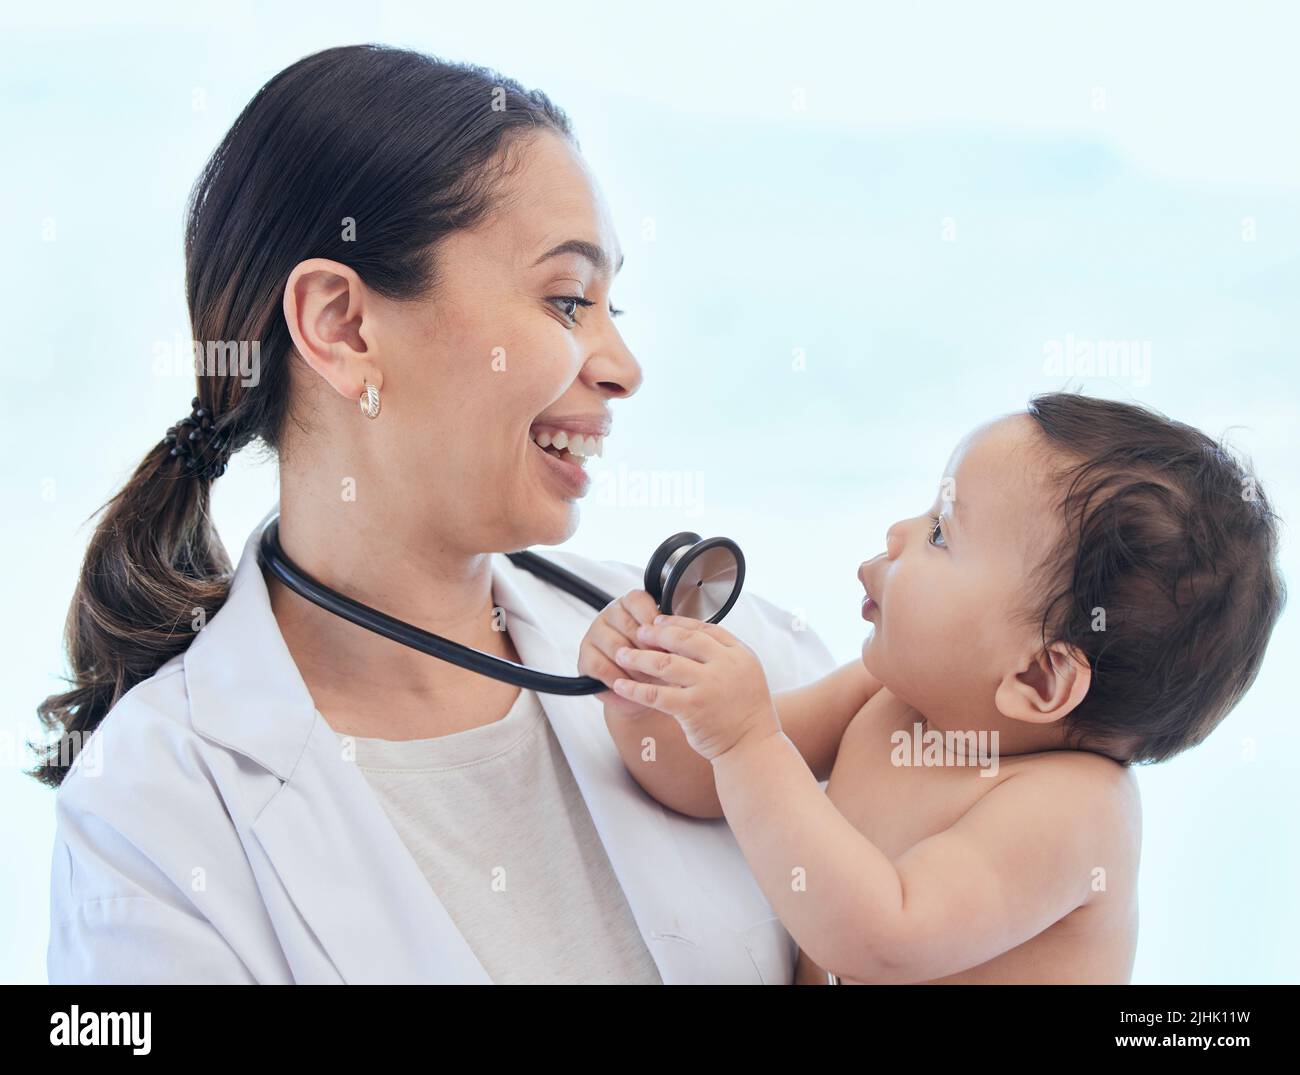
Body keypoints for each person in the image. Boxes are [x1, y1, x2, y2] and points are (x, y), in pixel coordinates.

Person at [34, 44, 839, 984]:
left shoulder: (718, 661)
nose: (622, 366)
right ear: (342, 326)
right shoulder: (154, 812)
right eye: (568, 299)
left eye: (610, 304)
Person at [586, 392, 1285, 984]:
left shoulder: (1076, 813)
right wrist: (642, 695)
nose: (898, 532)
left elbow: (882, 935)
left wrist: (746, 739)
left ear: (1039, 676)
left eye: (942, 533)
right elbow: (703, 782)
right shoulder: (887, 695)